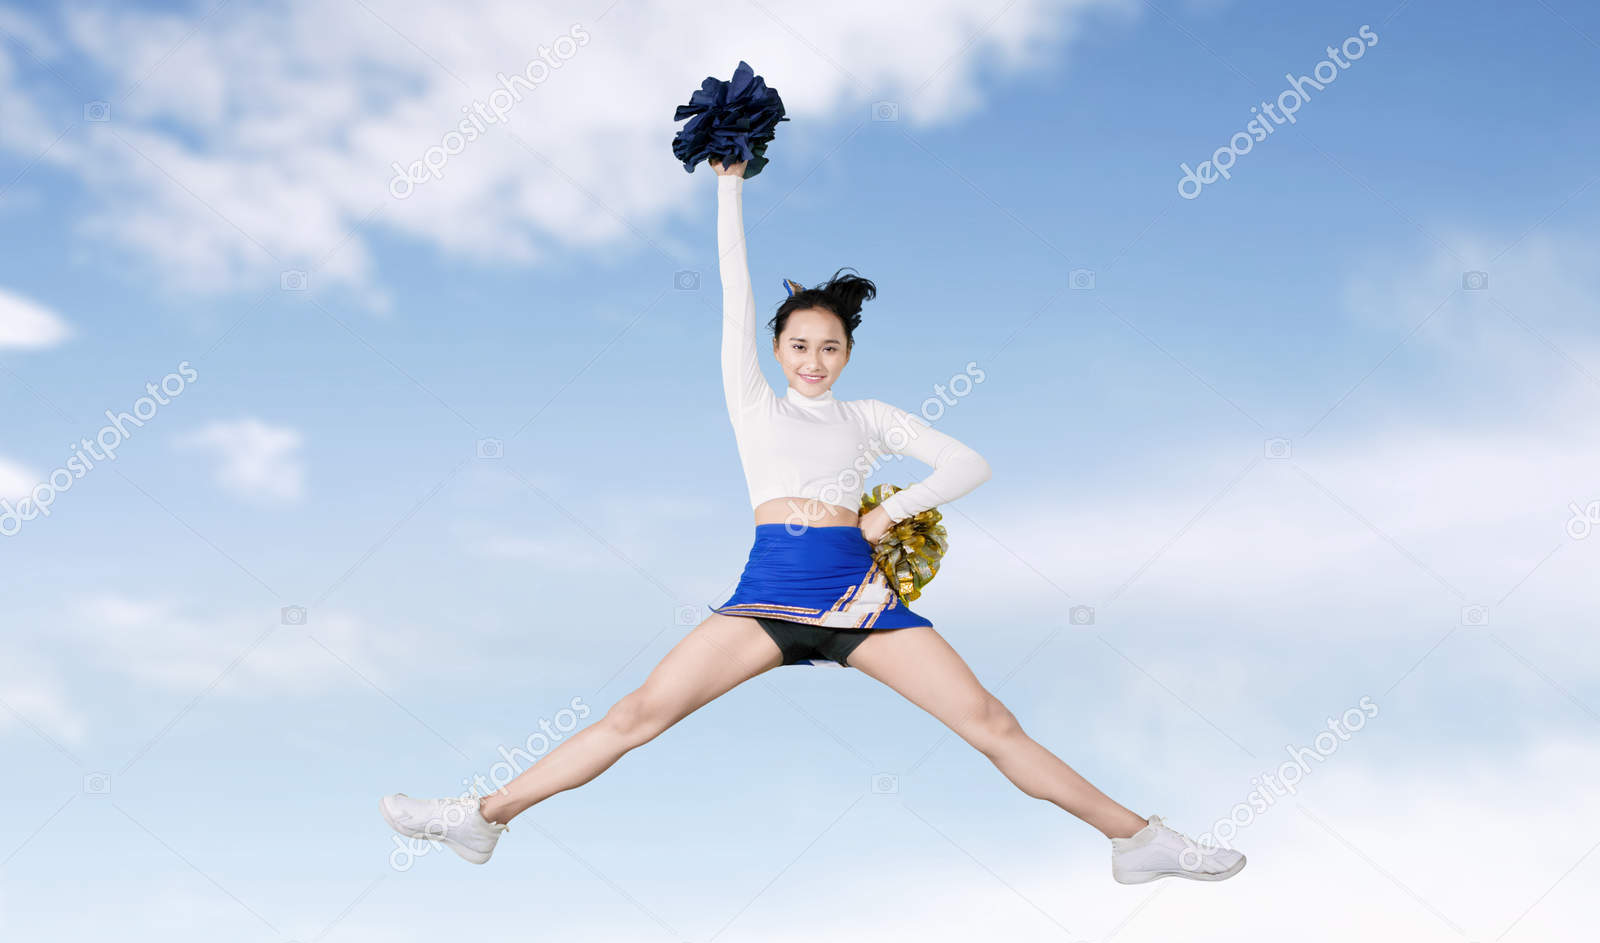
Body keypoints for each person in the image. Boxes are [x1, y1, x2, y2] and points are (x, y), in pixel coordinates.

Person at [380, 157, 1245, 885]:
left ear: (848, 353)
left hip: (860, 603)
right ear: (777, 349)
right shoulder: (753, 401)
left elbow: (968, 464)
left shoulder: (868, 418)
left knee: (991, 723)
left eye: (830, 347)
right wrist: (729, 185)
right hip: (767, 598)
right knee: (637, 712)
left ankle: (1138, 841)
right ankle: (482, 816)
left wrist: (889, 511)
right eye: (799, 345)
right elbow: (733, 288)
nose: (814, 360)